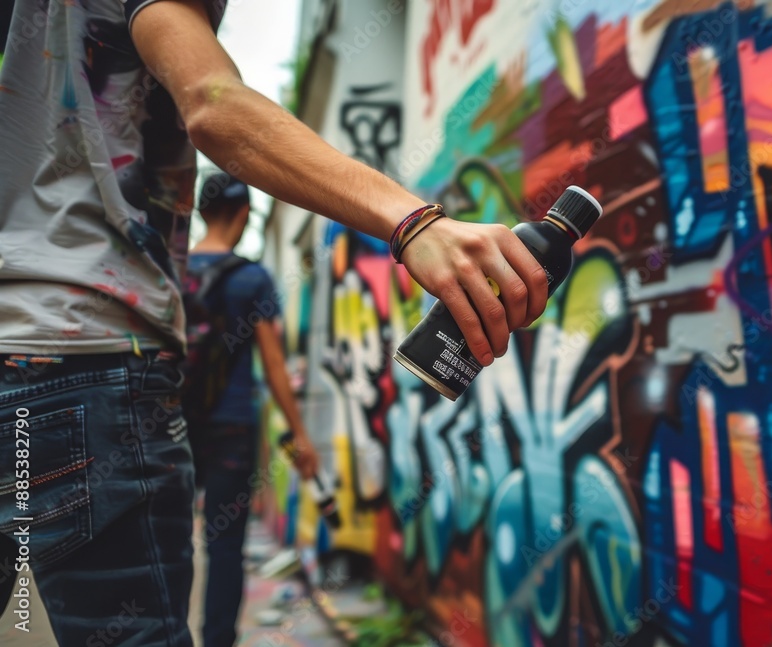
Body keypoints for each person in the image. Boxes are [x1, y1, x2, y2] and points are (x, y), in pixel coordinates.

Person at [0, 0, 549, 645]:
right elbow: (212, 101)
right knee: (200, 566)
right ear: (240, 211)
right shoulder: (252, 279)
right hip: (85, 359)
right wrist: (415, 223)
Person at [186, 172, 318, 646]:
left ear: (200, 211)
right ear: (243, 214)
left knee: (167, 540)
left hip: (175, 426)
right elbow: (275, 364)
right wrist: (298, 433)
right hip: (232, 427)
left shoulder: (173, 270)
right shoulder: (252, 278)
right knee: (224, 546)